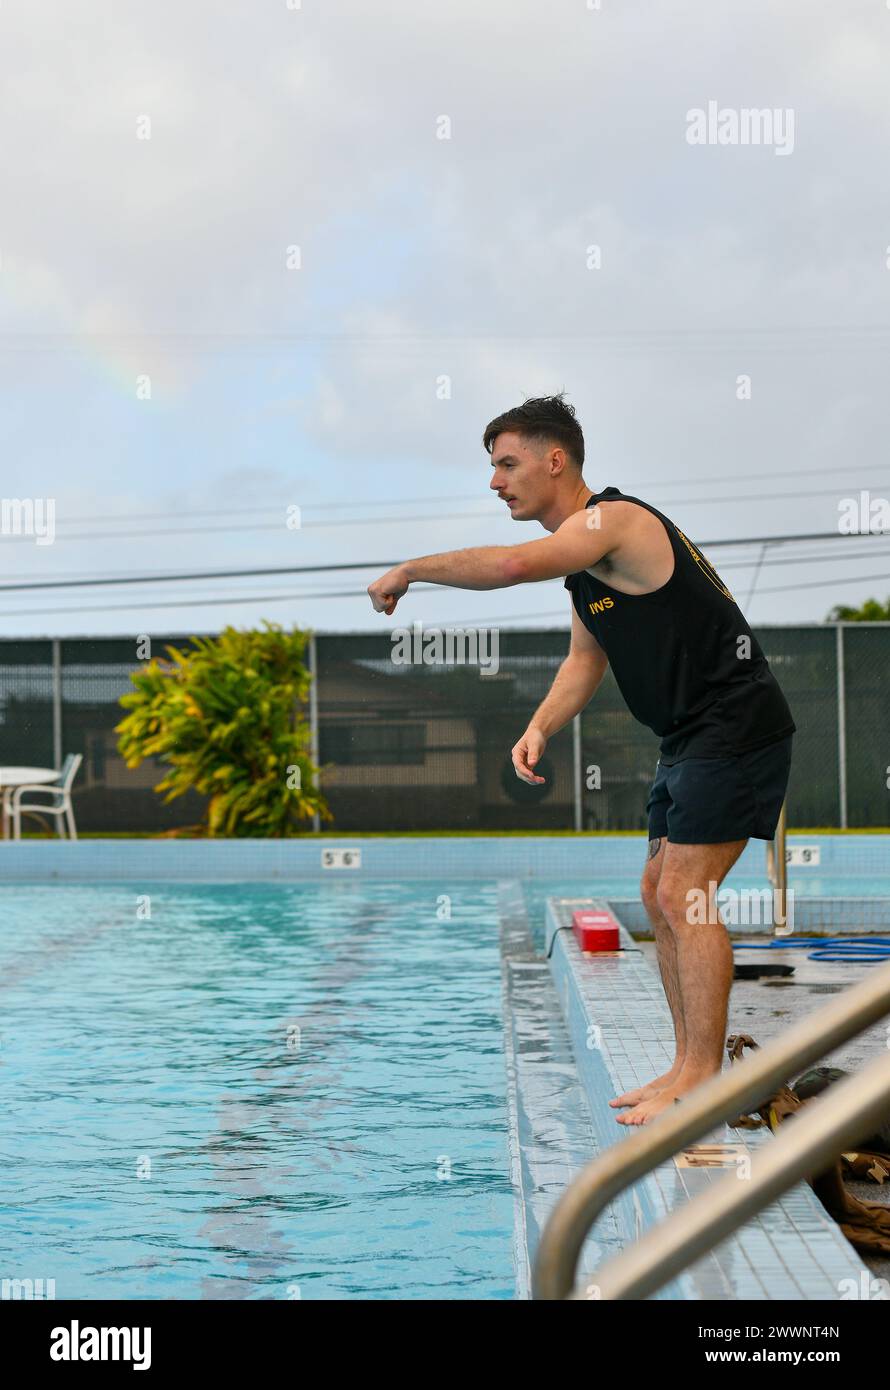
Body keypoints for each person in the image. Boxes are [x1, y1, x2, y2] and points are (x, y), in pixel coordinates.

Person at [368, 394, 795, 1124]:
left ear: (554, 459)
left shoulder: (614, 522)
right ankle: (683, 1066)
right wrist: (539, 726)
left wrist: (413, 568)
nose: (495, 481)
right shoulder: (587, 568)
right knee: (660, 887)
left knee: (685, 892)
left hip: (734, 723)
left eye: (507, 463)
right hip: (690, 736)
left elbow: (508, 565)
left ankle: (702, 1077)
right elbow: (583, 660)